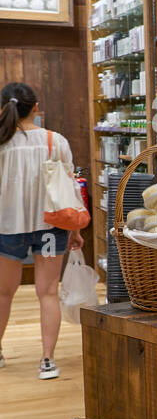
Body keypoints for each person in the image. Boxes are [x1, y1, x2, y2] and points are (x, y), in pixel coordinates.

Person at [0, 82, 83, 379]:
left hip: (8, 229)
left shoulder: (2, 142)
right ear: (36, 108)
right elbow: (69, 186)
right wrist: (74, 231)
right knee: (48, 292)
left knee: (3, 293)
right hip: (51, 228)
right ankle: (47, 361)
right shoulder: (55, 141)